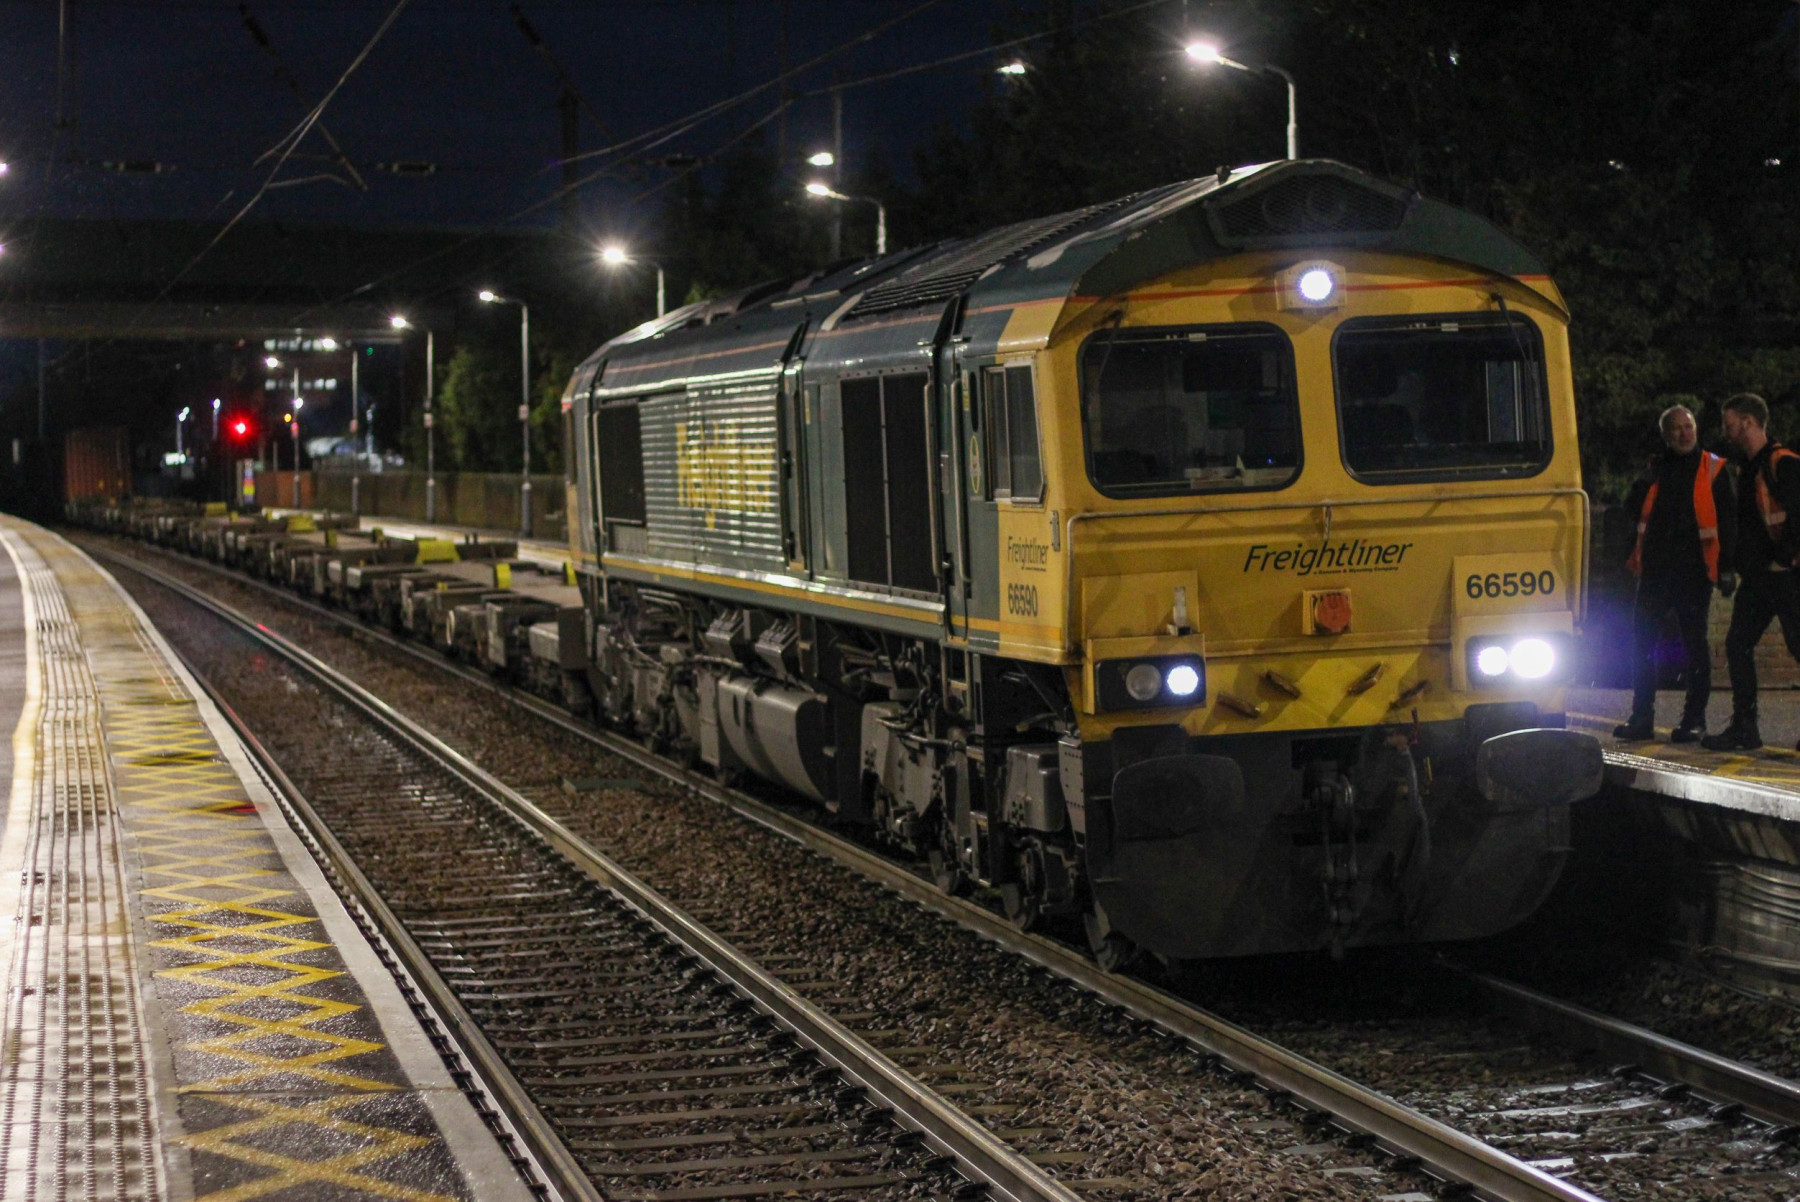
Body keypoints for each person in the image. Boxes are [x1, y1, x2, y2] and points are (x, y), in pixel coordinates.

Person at [1614, 405, 1735, 742]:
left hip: (1694, 572)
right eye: (1677, 429)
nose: (1685, 433)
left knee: (1695, 647)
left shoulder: (1713, 468)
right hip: (1655, 572)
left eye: (1689, 426)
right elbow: (1633, 511)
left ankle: (1694, 721)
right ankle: (1642, 718)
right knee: (1642, 645)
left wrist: (1726, 567)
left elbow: (1728, 521)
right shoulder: (1656, 468)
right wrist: (1643, 483)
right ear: (1666, 435)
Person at [1703, 393, 1800, 751]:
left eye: (1730, 423)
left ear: (1747, 421)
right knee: (1737, 643)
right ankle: (1745, 728)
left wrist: (1784, 559)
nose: (1725, 430)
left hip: (1786, 575)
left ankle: (1745, 726)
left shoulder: (1783, 463)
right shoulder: (1747, 468)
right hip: (1761, 577)